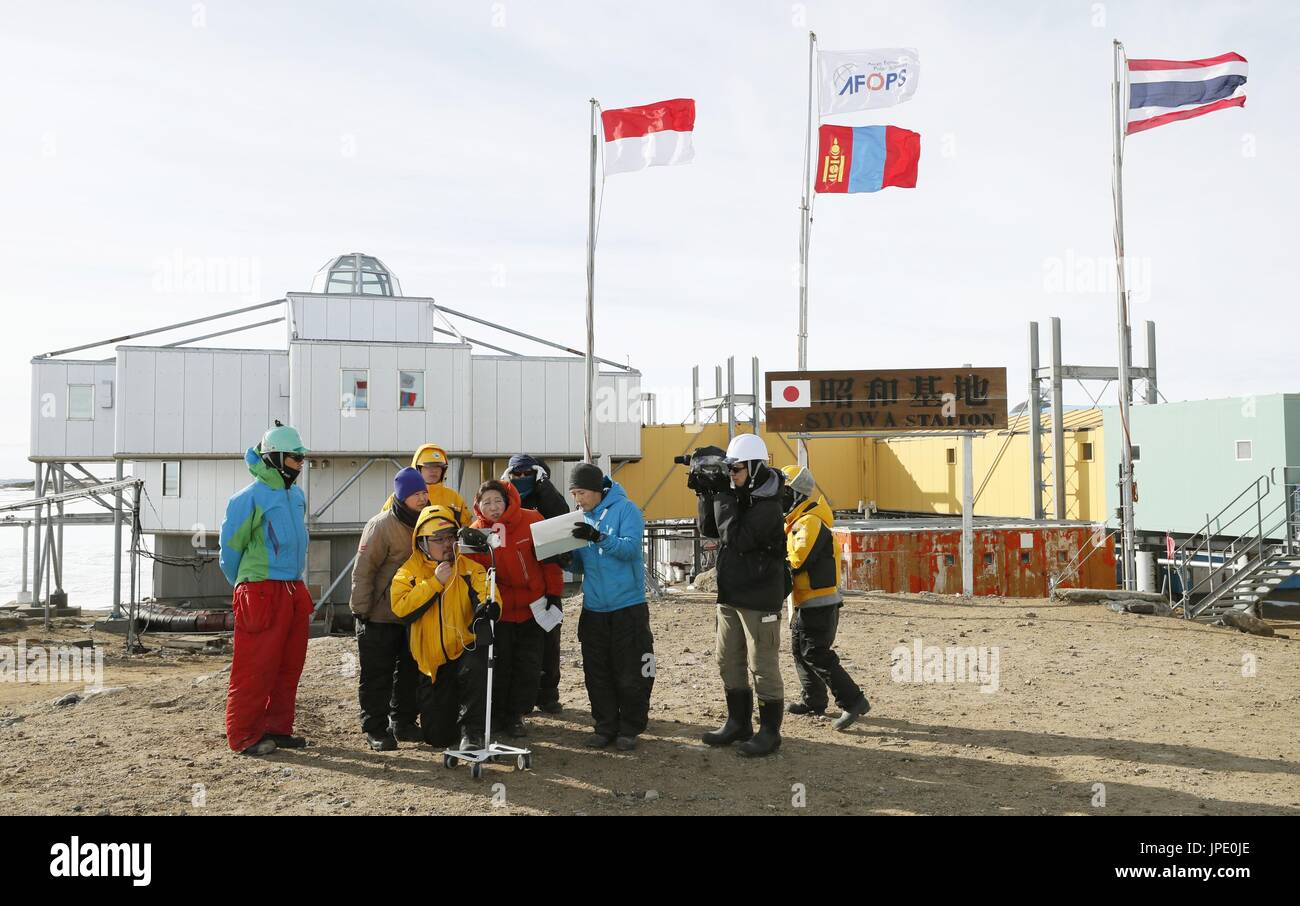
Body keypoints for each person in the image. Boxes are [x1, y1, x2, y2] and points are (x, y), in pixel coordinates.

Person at [218, 422, 314, 757]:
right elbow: (230, 551)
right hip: (260, 590)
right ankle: (244, 736)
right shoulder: (248, 498)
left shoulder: (295, 495)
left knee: (289, 665)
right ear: (275, 458)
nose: (300, 463)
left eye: (302, 457)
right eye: (294, 457)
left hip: (292, 588)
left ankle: (277, 728)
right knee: (254, 667)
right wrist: (246, 586)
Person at [696, 433, 787, 757]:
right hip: (731, 594)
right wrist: (706, 493)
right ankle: (738, 722)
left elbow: (736, 538)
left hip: (760, 596)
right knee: (728, 660)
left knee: (762, 664)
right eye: (729, 471)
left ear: (754, 466)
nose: (731, 476)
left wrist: (721, 493)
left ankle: (770, 731)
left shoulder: (769, 505)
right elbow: (710, 529)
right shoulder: (738, 494)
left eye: (736, 470)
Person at [390, 505, 494, 751]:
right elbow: (401, 608)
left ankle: (473, 732)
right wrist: (435, 582)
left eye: (450, 537)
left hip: (464, 648)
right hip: (432, 664)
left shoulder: (467, 567)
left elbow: (487, 589)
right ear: (422, 541)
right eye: (438, 539)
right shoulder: (408, 572)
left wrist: (490, 606)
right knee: (437, 737)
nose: (446, 544)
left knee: (478, 665)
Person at [465, 480, 563, 737]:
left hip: (534, 607)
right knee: (500, 665)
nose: (493, 507)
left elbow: (549, 561)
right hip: (502, 612)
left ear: (507, 501)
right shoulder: (476, 534)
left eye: (497, 501)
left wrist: (554, 593)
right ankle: (496, 714)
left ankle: (516, 715)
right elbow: (472, 573)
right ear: (478, 506)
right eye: (486, 503)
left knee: (528, 665)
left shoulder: (532, 519)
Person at [567, 462, 654, 751]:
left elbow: (630, 549)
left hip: (627, 605)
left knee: (631, 670)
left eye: (581, 492)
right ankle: (605, 726)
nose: (578, 499)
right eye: (574, 493)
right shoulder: (579, 517)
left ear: (596, 490)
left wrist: (599, 537)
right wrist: (563, 558)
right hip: (594, 608)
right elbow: (581, 562)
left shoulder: (626, 509)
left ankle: (630, 727)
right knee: (597, 671)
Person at [780, 465, 871, 731]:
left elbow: (798, 560)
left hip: (818, 602)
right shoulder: (798, 521)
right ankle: (814, 700)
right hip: (806, 600)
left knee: (817, 653)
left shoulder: (809, 522)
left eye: (783, 492)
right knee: (800, 650)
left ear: (795, 494)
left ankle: (853, 701)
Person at [350, 467, 427, 751]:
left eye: (424, 492)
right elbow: (363, 570)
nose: (422, 498)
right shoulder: (381, 525)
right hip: (379, 616)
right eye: (416, 494)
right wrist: (361, 610)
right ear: (401, 496)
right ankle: (375, 728)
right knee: (377, 675)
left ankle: (404, 722)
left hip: (412, 614)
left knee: (410, 673)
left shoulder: (428, 523)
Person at [503, 452, 568, 714]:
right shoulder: (505, 501)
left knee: (550, 641)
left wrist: (545, 486)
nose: (521, 478)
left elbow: (561, 516)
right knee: (517, 646)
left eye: (527, 473)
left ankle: (548, 693)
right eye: (516, 474)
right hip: (512, 585)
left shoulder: (547, 498)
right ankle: (519, 697)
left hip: (545, 580)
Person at [383, 444, 471, 527]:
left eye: (438, 466)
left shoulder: (454, 498)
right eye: (428, 466)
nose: (434, 470)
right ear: (417, 468)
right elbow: (383, 525)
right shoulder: (397, 498)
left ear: (443, 470)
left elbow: (466, 530)